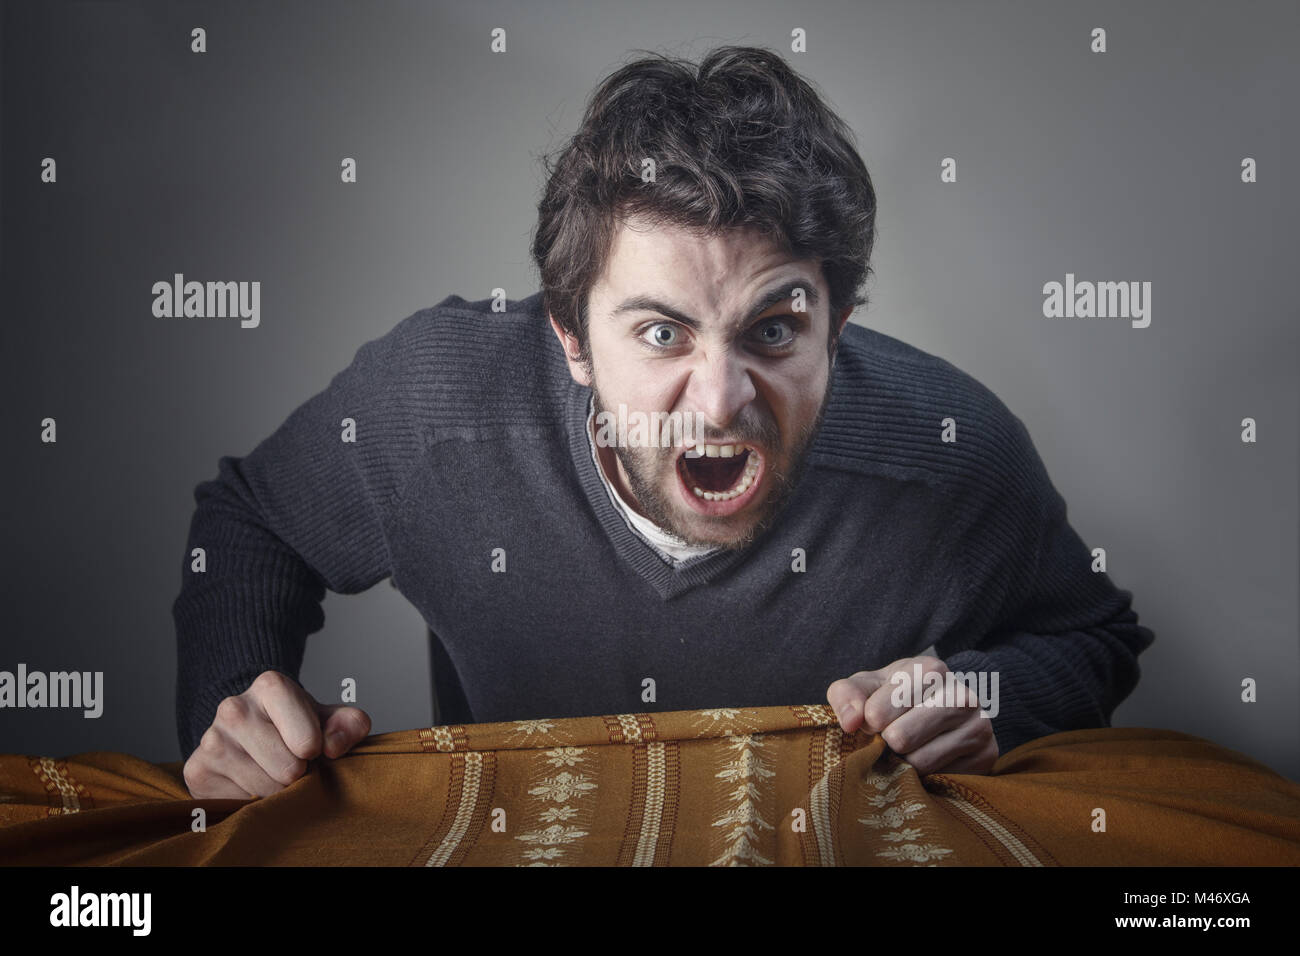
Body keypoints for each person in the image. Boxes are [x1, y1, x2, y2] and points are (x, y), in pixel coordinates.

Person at [173, 45, 1154, 801]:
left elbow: (1094, 636)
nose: (720, 399)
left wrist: (986, 695)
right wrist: (235, 705)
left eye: (773, 328)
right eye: (659, 330)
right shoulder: (438, 409)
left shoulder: (953, 452)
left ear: (838, 326)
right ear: (570, 337)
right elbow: (252, 519)